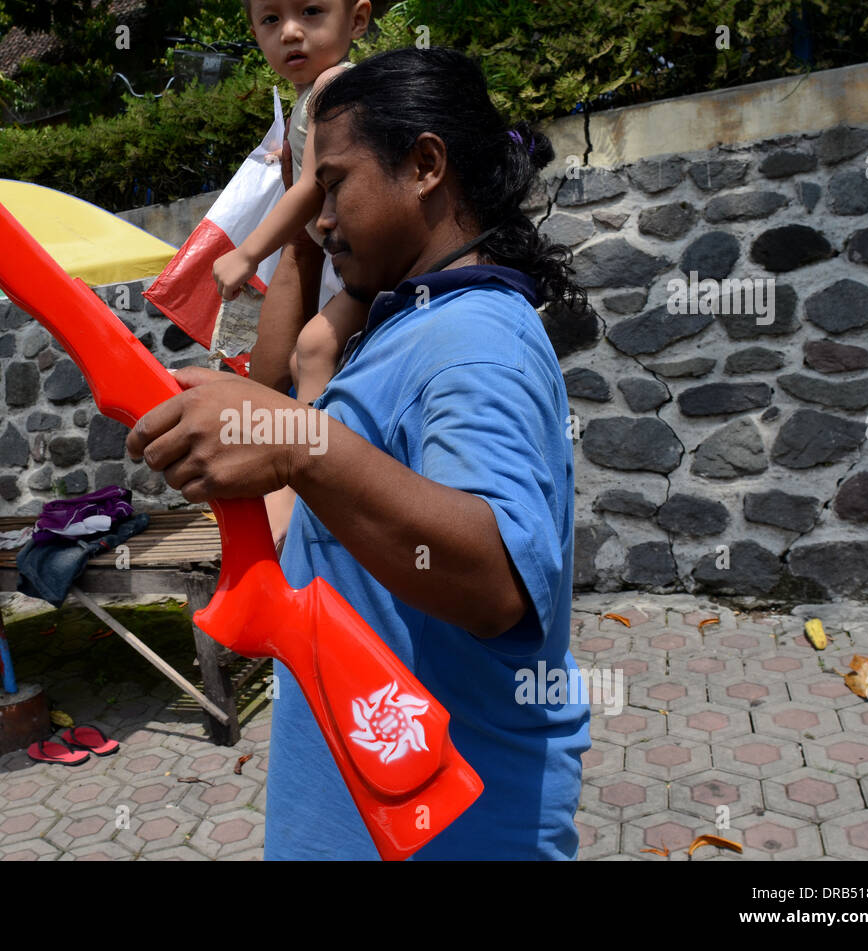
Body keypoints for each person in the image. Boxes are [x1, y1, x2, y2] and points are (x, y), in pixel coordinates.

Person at [129, 46, 590, 859]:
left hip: (452, 832)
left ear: (424, 165)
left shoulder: (476, 341)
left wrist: (297, 444)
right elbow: (298, 399)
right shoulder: (402, 320)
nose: (321, 212)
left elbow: (494, 581)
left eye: (335, 183)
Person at [213, 0, 380, 407]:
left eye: (310, 12)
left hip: (360, 259)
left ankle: (307, 452)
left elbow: (307, 187)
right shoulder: (316, 94)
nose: (289, 32)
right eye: (271, 20)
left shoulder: (331, 88)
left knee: (312, 349)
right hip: (341, 259)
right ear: (256, 35)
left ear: (357, 20)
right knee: (312, 352)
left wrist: (248, 254)